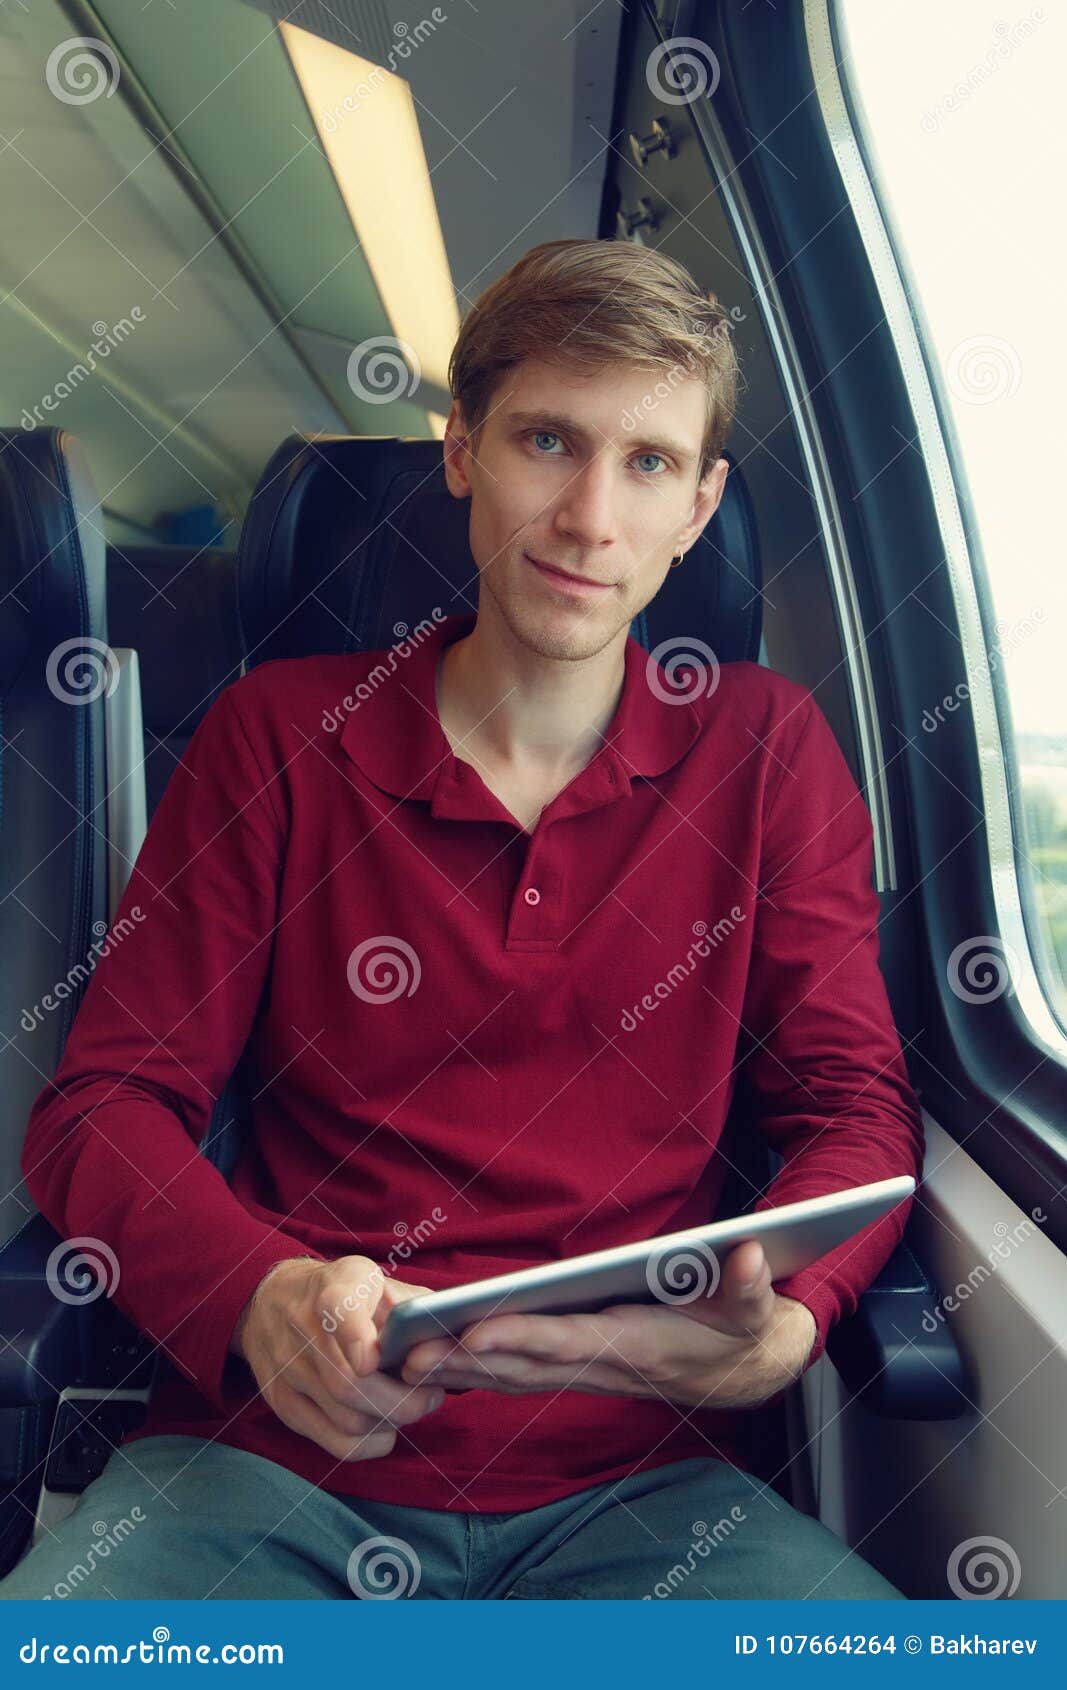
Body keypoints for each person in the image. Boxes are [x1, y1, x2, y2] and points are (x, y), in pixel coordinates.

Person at [1, 239, 922, 1601]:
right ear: (461, 451)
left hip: (645, 1485)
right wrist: (261, 1293)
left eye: (651, 463)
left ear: (701, 505)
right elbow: (101, 1107)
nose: (592, 515)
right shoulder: (277, 736)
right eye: (549, 440)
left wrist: (790, 1320)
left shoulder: (771, 750)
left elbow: (853, 1107)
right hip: (272, 1461)